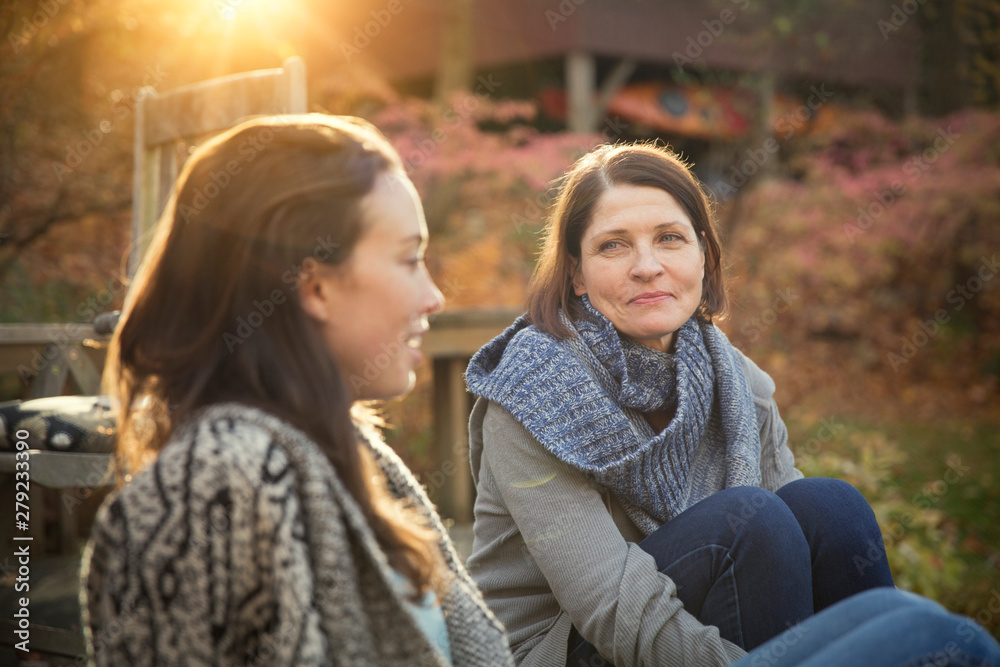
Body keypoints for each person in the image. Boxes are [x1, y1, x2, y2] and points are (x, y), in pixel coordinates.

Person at [464, 143, 1000, 667]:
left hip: (698, 613)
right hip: (565, 645)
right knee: (751, 523)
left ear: (702, 254)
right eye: (613, 246)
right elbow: (610, 606)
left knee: (829, 509)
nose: (647, 266)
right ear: (576, 273)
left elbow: (804, 545)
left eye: (669, 239)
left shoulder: (736, 381)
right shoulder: (531, 395)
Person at [81, 114, 513, 667]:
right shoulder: (213, 488)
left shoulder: (349, 450)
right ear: (314, 286)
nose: (434, 296)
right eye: (409, 259)